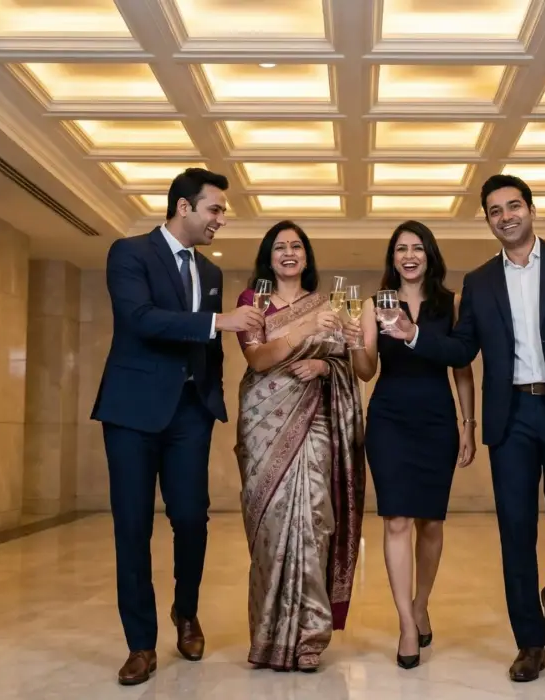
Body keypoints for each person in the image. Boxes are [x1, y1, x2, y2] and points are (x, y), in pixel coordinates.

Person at [382, 174, 545, 683]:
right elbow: (461, 349)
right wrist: (413, 336)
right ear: (489, 221)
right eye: (495, 211)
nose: (506, 217)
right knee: (515, 529)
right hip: (511, 415)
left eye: (513, 206)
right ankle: (529, 641)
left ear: (531, 210)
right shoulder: (480, 282)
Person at [90, 168, 265, 686]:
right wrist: (219, 321)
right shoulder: (129, 253)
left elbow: (208, 348)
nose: (221, 220)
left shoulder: (210, 272)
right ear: (184, 208)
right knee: (132, 526)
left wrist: (212, 395)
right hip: (132, 411)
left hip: (190, 412)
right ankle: (140, 643)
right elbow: (140, 318)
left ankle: (185, 612)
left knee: (191, 518)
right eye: (215, 209)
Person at [233, 220, 366, 672]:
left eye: (296, 246)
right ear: (268, 257)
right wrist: (305, 327)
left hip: (316, 423)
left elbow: (350, 363)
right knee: (270, 528)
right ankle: (267, 637)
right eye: (279, 247)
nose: (288, 252)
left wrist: (325, 367)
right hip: (263, 423)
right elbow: (257, 358)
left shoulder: (334, 302)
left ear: (307, 256)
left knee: (315, 521)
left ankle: (310, 636)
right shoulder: (252, 301)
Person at [344, 221, 475, 669]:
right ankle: (405, 622)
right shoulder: (374, 304)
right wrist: (354, 345)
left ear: (429, 254)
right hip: (390, 420)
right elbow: (367, 370)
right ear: (393, 258)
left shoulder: (449, 303)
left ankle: (421, 604)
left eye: (417, 248)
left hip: (437, 418)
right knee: (396, 519)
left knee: (431, 523)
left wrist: (468, 424)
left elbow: (461, 366)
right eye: (401, 249)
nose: (409, 256)